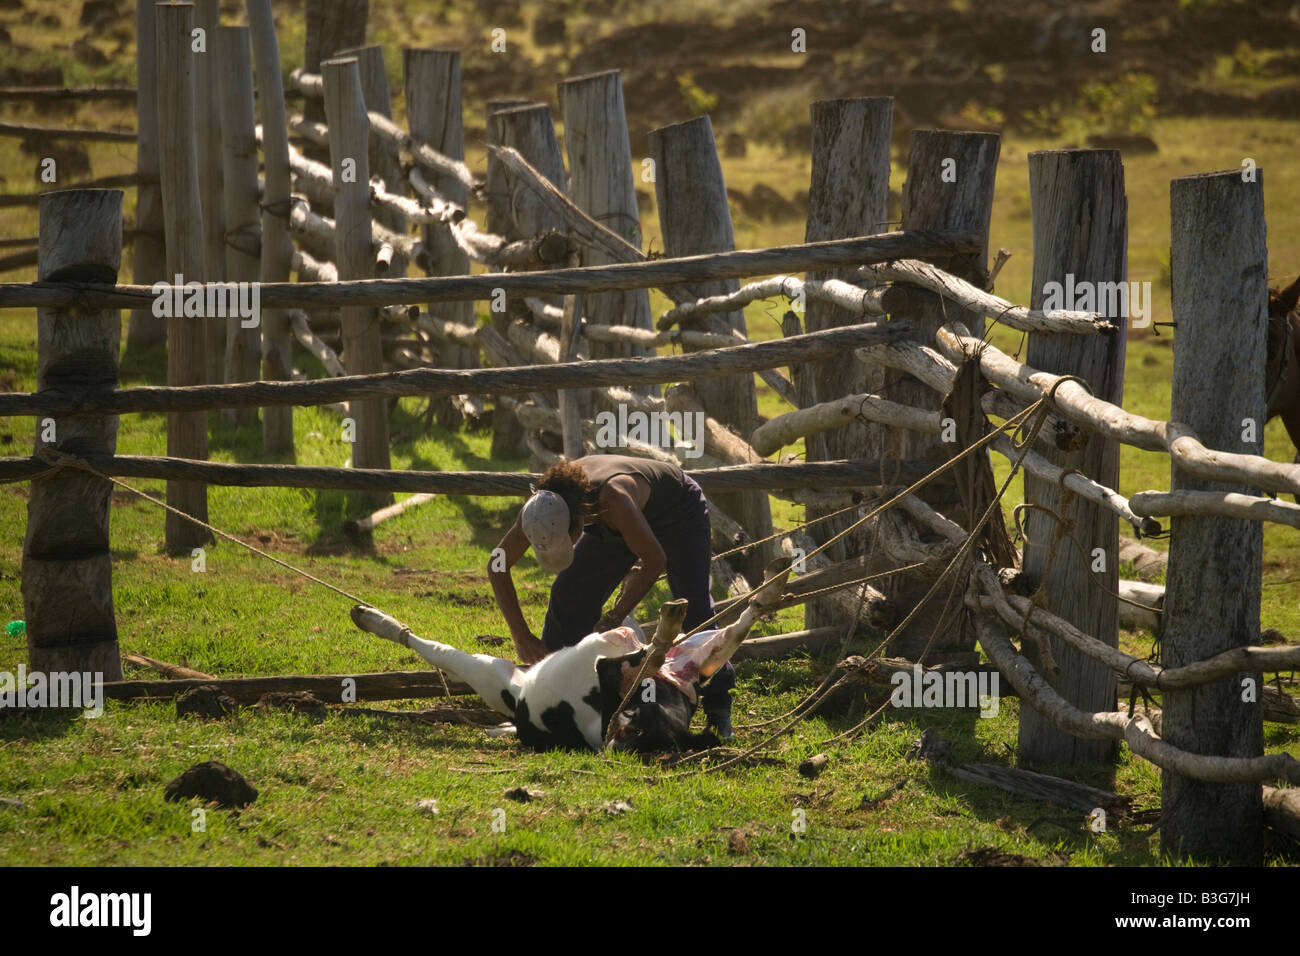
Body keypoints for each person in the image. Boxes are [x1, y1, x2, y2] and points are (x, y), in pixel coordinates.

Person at [488, 454, 734, 737]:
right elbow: (497, 565)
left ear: (578, 523)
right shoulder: (540, 512)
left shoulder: (612, 499)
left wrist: (617, 615)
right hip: (617, 526)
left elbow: (654, 559)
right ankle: (550, 693)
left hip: (677, 512)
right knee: (569, 592)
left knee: (694, 610)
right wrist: (521, 636)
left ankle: (718, 706)